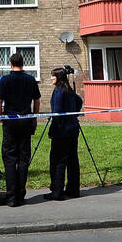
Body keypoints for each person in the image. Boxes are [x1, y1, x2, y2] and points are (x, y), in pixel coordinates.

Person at [0, 53, 41, 207]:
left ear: (10, 64)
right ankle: (21, 194)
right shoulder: (30, 79)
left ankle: (11, 196)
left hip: (10, 122)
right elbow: (37, 100)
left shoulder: (5, 80)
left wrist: (0, 117)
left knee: (9, 158)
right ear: (23, 64)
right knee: (23, 158)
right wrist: (34, 116)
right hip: (26, 121)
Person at [46, 67, 83, 200]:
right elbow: (79, 101)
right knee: (72, 160)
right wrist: (74, 114)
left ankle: (57, 191)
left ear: (58, 78)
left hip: (61, 131)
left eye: (53, 76)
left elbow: (56, 114)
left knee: (57, 161)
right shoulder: (70, 90)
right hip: (73, 129)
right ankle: (73, 190)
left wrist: (51, 130)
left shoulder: (58, 91)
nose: (51, 78)